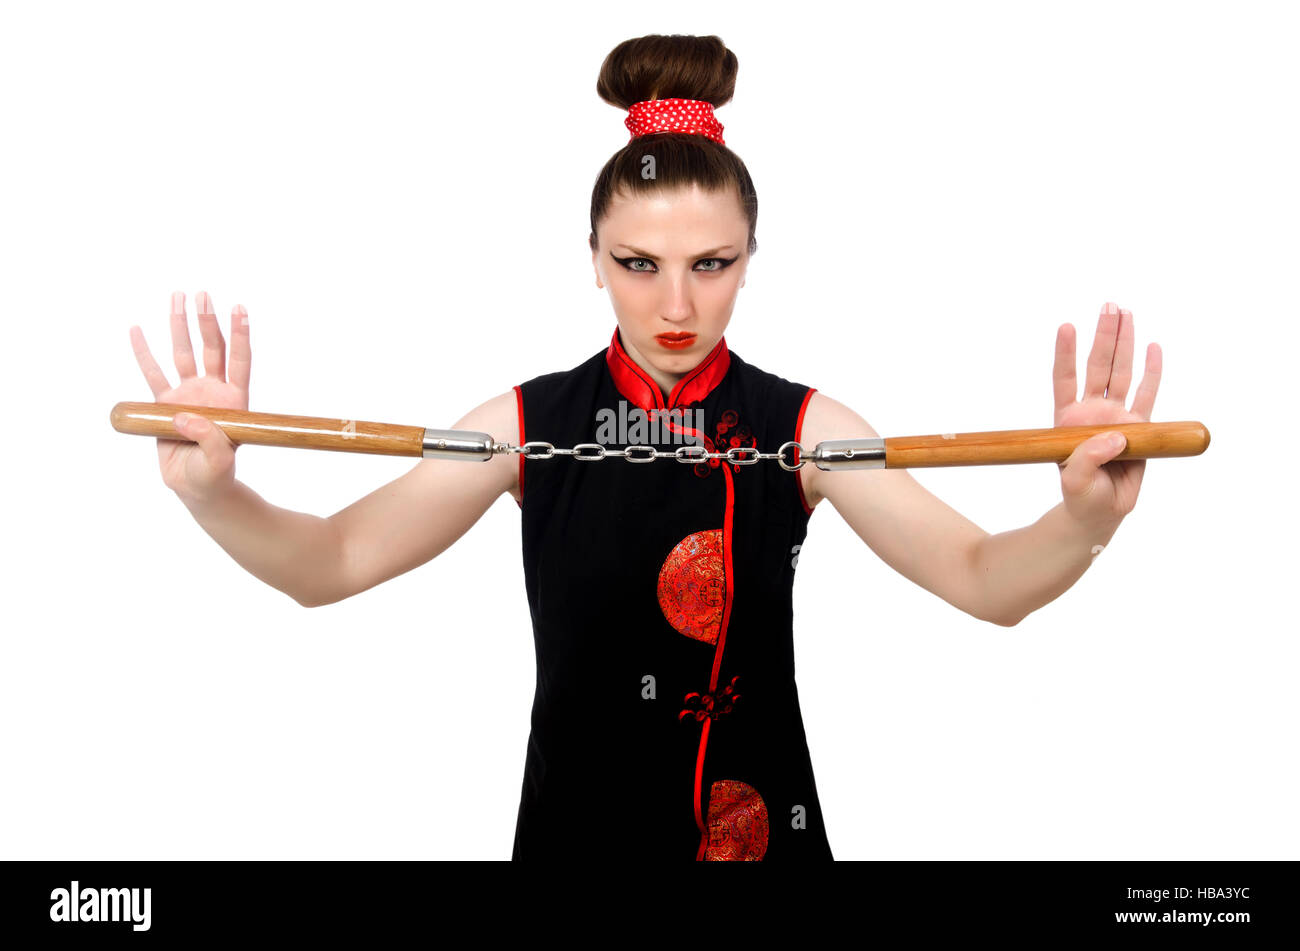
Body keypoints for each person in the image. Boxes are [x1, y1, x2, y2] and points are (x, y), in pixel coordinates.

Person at [127, 34, 1163, 861]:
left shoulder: (808, 431)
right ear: (591, 260)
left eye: (711, 263)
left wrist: (1081, 520)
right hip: (576, 840)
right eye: (638, 262)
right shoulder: (520, 428)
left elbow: (987, 582)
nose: (675, 304)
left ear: (751, 261)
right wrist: (213, 495)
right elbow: (329, 563)